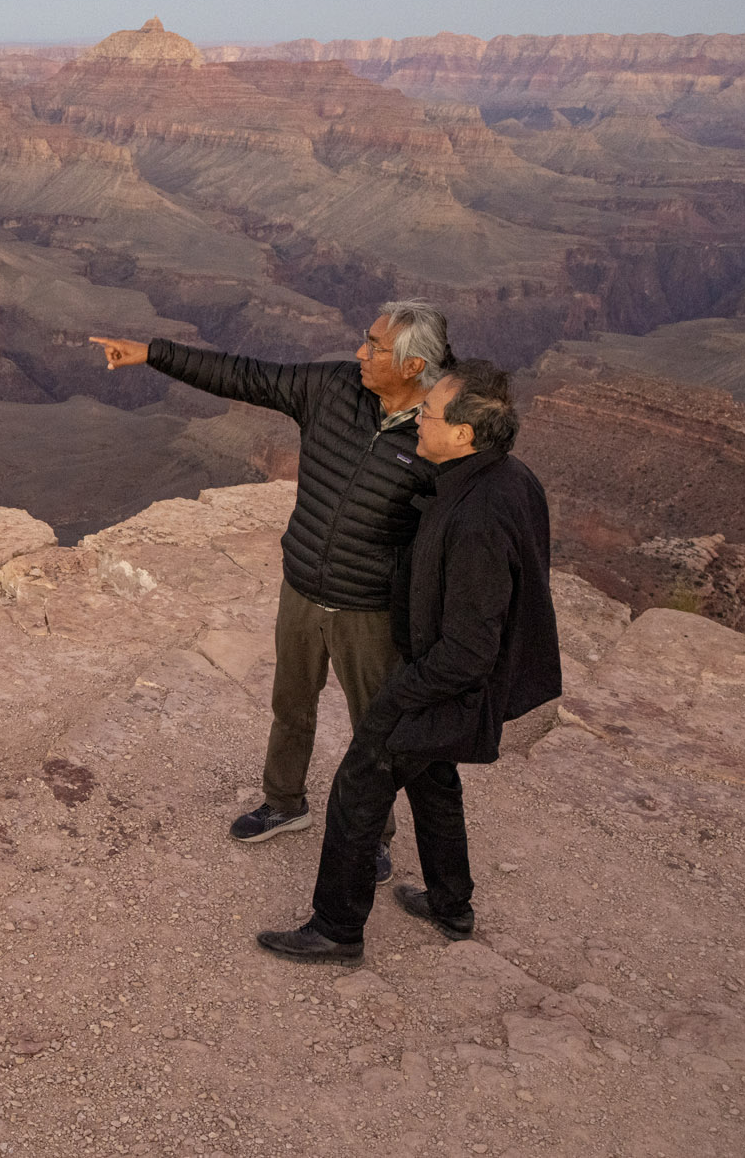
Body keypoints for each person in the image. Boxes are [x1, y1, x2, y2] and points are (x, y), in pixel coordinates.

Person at [92, 301, 451, 881]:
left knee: (375, 727)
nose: (360, 353)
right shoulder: (332, 387)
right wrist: (153, 353)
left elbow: (465, 517)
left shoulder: (440, 433)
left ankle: (371, 833)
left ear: (413, 367)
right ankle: (284, 803)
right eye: (366, 341)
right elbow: (245, 374)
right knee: (291, 705)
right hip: (304, 584)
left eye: (375, 347)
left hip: (372, 608)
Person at [255, 359, 562, 963]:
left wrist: (400, 693)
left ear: (464, 434)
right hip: (460, 680)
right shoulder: (504, 477)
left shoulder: (477, 517)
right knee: (432, 776)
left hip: (450, 681)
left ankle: (337, 928)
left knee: (360, 782)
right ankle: (452, 904)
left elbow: (469, 648)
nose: (416, 419)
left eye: (428, 413)